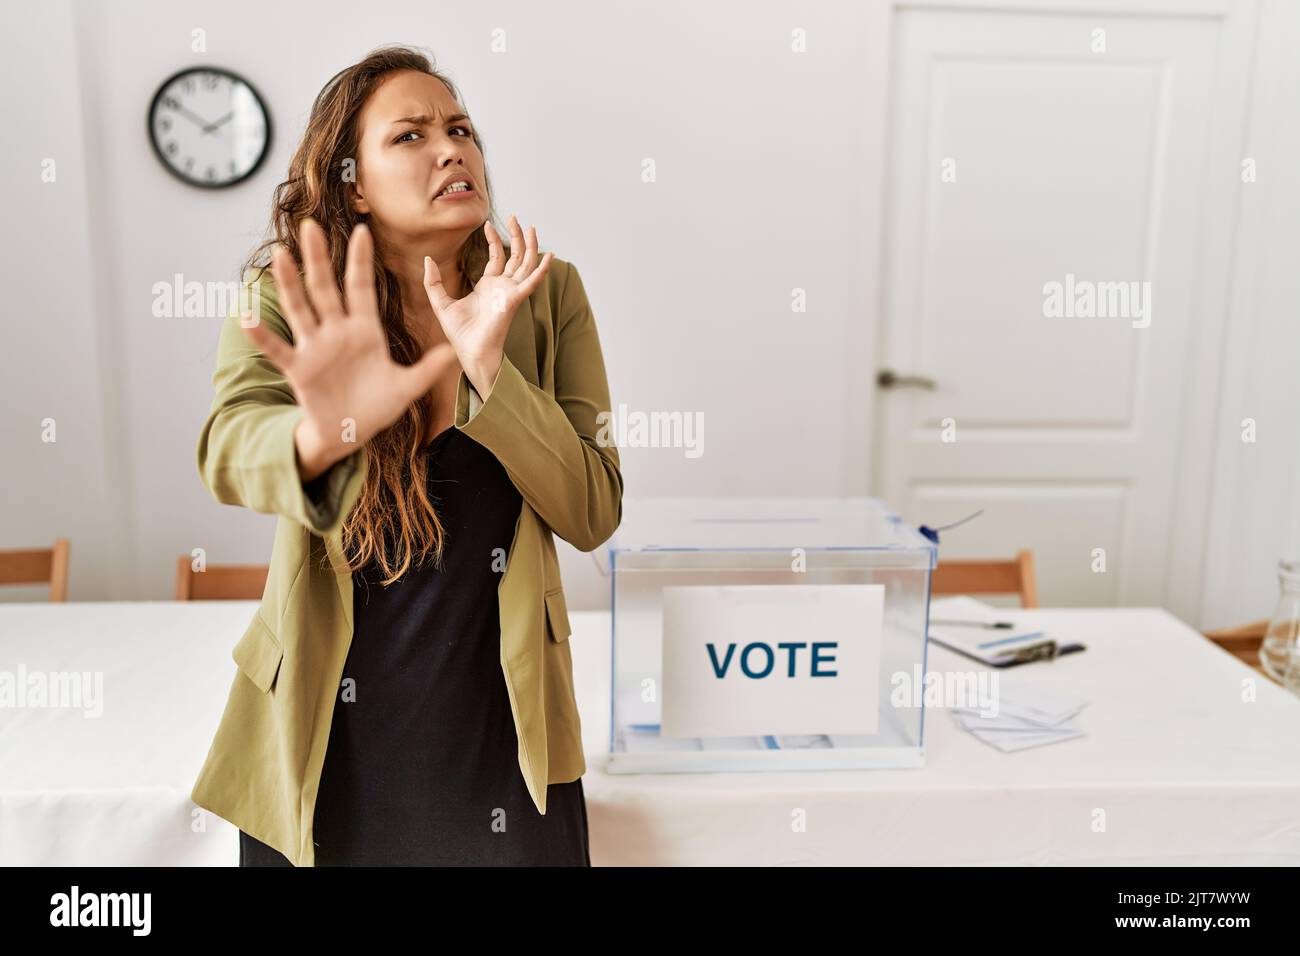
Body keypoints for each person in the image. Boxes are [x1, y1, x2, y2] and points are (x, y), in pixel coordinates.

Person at [189, 44, 622, 866]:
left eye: (461, 129)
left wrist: (489, 371)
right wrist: (319, 436)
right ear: (352, 181)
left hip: (506, 739)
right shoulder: (288, 298)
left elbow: (594, 510)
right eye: (411, 136)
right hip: (328, 735)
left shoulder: (545, 291)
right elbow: (230, 447)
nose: (452, 148)